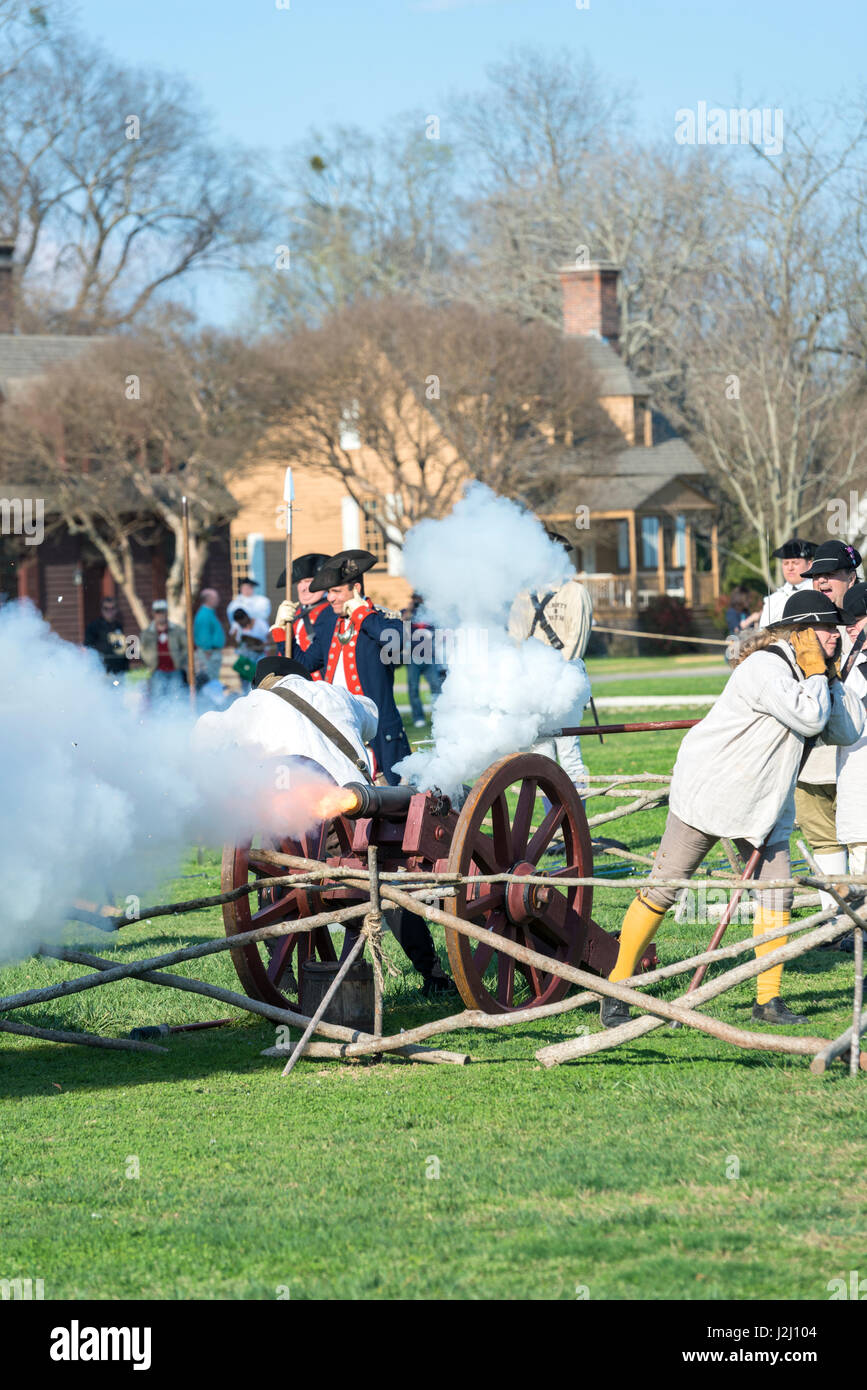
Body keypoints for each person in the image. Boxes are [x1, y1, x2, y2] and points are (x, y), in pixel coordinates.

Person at [599, 590, 864, 1031]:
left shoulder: (813, 673)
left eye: (835, 629)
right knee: (665, 888)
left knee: (775, 895)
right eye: (823, 628)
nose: (833, 636)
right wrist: (818, 678)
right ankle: (617, 987)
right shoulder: (765, 668)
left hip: (765, 801)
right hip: (712, 790)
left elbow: (846, 728)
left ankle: (767, 1001)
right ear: (798, 634)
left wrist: (830, 678)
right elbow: (809, 718)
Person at [194, 655, 451, 996]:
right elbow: (371, 714)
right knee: (388, 881)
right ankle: (432, 976)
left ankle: (281, 971)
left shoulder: (251, 705)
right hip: (358, 807)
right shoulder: (333, 693)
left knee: (274, 871)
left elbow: (205, 733)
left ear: (264, 681)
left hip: (302, 818)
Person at [292, 550, 413, 786]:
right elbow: (305, 664)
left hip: (380, 741)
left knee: (393, 811)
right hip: (340, 735)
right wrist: (282, 633)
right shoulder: (328, 622)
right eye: (328, 592)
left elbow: (399, 641)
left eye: (336, 591)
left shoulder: (380, 618)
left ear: (356, 589)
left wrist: (362, 615)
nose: (329, 598)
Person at [794, 540, 862, 919]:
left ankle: (860, 920)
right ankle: (832, 921)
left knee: (859, 834)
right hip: (816, 751)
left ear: (851, 577)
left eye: (830, 574)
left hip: (858, 750)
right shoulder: (804, 618)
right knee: (821, 833)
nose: (820, 581)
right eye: (815, 575)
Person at [508, 530, 594, 797]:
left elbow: (575, 644)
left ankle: (575, 831)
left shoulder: (575, 592)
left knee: (569, 755)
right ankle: (554, 829)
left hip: (565, 681)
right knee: (540, 759)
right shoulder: (523, 596)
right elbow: (515, 641)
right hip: (533, 684)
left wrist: (555, 680)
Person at [831, 583, 867, 945]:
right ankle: (860, 929)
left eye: (859, 619)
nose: (851, 627)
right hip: (857, 777)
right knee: (860, 856)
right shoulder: (850, 667)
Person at [271, 553, 331, 668]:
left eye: (308, 581)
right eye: (299, 582)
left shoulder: (330, 612)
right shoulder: (296, 613)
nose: (303, 588)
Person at [401, 592, 444, 727]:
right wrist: (411, 606)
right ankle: (418, 717)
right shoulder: (408, 612)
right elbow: (402, 620)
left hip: (429, 656)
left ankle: (439, 715)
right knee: (413, 688)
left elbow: (439, 633)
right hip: (413, 657)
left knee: (436, 687)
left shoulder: (430, 614)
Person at [755, 538, 817, 628]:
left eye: (795, 563)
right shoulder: (773, 600)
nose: (790, 568)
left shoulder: (817, 593)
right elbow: (762, 632)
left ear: (809, 564)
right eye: (786, 563)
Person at [140, 599, 187, 704]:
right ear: (153, 613)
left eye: (163, 611)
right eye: (158, 612)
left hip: (175, 670)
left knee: (176, 698)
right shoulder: (147, 632)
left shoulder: (177, 630)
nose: (160, 614)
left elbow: (186, 647)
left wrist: (180, 660)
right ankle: (159, 719)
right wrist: (150, 661)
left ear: (167, 612)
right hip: (157, 671)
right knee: (158, 699)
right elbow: (142, 650)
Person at [83, 595, 129, 678]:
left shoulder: (119, 626)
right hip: (102, 673)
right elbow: (87, 649)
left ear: (116, 610)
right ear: (101, 610)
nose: (109, 611)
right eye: (106, 608)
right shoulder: (94, 627)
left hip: (120, 672)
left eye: (112, 608)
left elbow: (121, 647)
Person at [230, 607, 270, 694]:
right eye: (239, 623)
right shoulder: (237, 627)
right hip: (246, 660)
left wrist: (259, 647)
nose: (241, 624)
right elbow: (236, 644)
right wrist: (234, 637)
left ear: (247, 617)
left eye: (242, 622)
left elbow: (270, 639)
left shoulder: (260, 624)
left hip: (259, 658)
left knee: (257, 682)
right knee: (245, 683)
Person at [193, 588, 226, 683]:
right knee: (209, 679)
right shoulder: (204, 614)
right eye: (216, 598)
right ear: (208, 599)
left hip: (212, 653)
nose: (218, 600)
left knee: (213, 678)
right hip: (209, 654)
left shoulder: (209, 612)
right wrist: (207, 649)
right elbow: (203, 634)